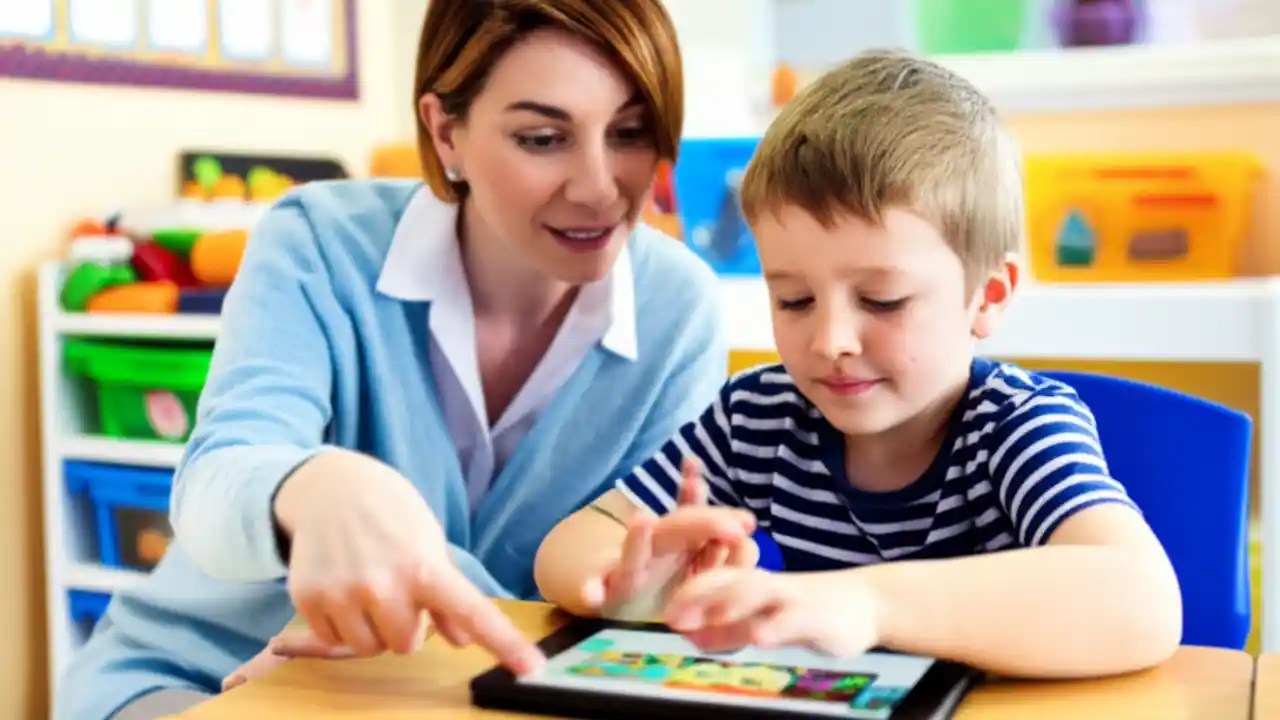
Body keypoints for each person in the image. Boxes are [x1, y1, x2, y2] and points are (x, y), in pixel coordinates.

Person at [57, 1, 731, 718]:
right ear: (446, 132)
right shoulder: (317, 242)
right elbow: (215, 484)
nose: (600, 187)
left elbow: (623, 587)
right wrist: (320, 488)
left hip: (445, 697)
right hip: (201, 678)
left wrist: (658, 589)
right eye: (542, 137)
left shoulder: (680, 309)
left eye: (630, 133)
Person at [534, 49, 1184, 678]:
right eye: (794, 299)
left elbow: (1143, 602)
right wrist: (635, 581)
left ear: (987, 296)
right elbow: (563, 550)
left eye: (882, 299)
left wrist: (867, 604)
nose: (830, 339)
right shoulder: (759, 416)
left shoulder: (1016, 427)